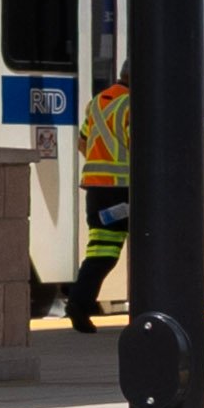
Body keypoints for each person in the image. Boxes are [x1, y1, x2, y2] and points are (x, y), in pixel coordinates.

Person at [70, 64, 131, 331]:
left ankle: (78, 305)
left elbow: (83, 141)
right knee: (155, 245)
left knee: (101, 253)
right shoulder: (134, 104)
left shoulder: (97, 102)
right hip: (126, 189)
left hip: (97, 191)